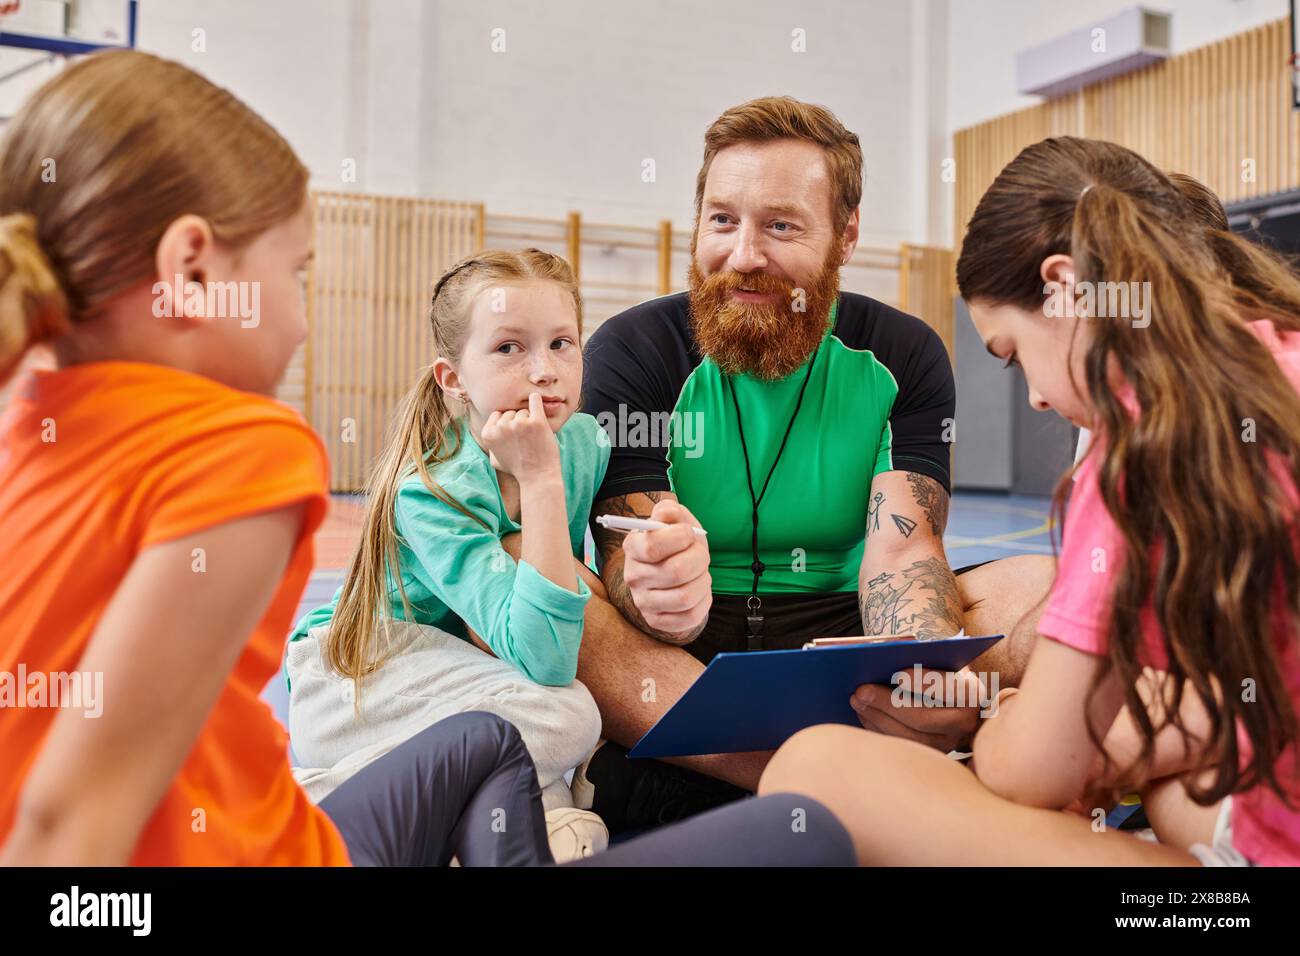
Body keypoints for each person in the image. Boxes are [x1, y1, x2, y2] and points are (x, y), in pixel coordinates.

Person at [759, 136, 1300, 867]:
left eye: (1011, 353)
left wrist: (1004, 723)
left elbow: (1029, 774)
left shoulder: (1143, 446)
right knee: (1174, 771)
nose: (1038, 395)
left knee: (816, 769)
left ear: (1065, 285)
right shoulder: (1278, 357)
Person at [574, 95, 1054, 832]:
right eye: (722, 218)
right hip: (676, 655)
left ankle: (852, 746)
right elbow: (623, 550)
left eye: (781, 226)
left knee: (1046, 585)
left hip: (838, 640)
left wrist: (915, 666)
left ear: (846, 236)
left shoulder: (901, 353)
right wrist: (656, 588)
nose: (743, 255)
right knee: (542, 586)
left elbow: (904, 548)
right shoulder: (633, 349)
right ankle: (828, 775)